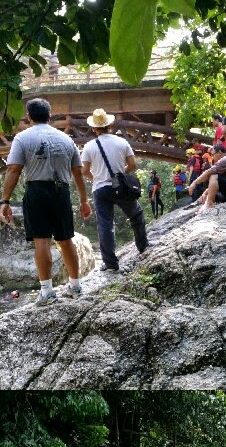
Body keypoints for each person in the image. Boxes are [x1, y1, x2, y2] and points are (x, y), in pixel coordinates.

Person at [0, 97, 92, 303]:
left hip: (37, 191)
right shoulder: (66, 139)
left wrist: (4, 201)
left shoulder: (23, 138)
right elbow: (78, 173)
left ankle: (47, 291)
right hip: (62, 191)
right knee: (66, 239)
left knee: (41, 241)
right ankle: (75, 286)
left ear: (29, 116)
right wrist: (84, 201)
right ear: (50, 116)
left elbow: (14, 169)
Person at [81, 107, 149, 273]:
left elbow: (84, 171)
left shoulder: (89, 146)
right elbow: (133, 165)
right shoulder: (122, 142)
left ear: (94, 128)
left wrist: (96, 178)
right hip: (120, 187)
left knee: (105, 225)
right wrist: (119, 176)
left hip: (100, 189)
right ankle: (143, 247)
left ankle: (110, 263)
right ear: (109, 125)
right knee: (136, 215)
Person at [190, 145, 226, 211]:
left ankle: (209, 204)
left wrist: (194, 183)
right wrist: (206, 192)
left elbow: (209, 172)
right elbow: (217, 183)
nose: (212, 157)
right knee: (209, 195)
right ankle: (204, 202)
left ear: (220, 152)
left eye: (213, 155)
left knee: (214, 175)